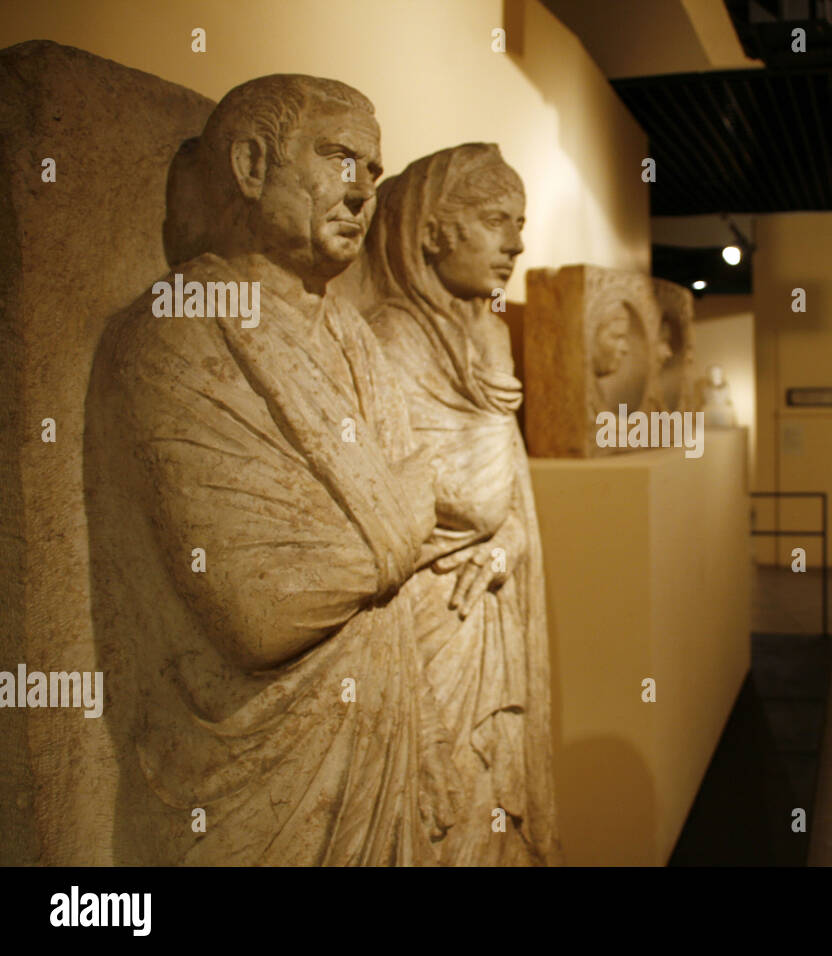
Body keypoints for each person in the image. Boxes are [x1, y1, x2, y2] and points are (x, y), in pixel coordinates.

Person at [85, 75, 445, 864]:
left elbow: (426, 489)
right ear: (251, 165)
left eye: (374, 175)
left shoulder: (354, 339)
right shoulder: (173, 336)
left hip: (382, 743)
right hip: (255, 777)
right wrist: (401, 527)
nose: (360, 193)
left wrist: (390, 523)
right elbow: (259, 609)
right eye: (339, 157)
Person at [351, 143, 561, 865]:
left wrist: (503, 547)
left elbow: (510, 503)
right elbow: (405, 509)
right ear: (434, 231)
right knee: (439, 812)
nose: (518, 242)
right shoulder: (387, 341)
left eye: (521, 222)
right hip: (425, 614)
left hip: (485, 605)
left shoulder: (491, 335)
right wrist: (479, 531)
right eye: (497, 220)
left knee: (490, 793)